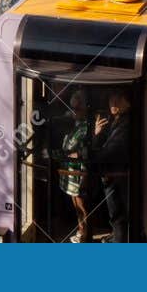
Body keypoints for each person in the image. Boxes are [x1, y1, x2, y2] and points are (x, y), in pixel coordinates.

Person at [91, 88, 132, 242]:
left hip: (119, 176)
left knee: (118, 214)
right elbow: (100, 146)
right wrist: (97, 133)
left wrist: (85, 156)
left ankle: (119, 241)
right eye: (111, 99)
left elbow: (111, 150)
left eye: (118, 99)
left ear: (128, 102)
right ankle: (116, 237)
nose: (113, 103)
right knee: (115, 213)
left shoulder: (127, 123)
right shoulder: (113, 120)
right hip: (111, 175)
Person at [58, 91, 93, 242]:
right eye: (72, 108)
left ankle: (85, 234)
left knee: (82, 205)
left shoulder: (87, 127)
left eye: (77, 108)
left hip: (80, 171)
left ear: (86, 108)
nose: (74, 111)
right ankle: (81, 230)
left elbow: (86, 150)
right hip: (71, 171)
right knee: (76, 204)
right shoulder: (73, 123)